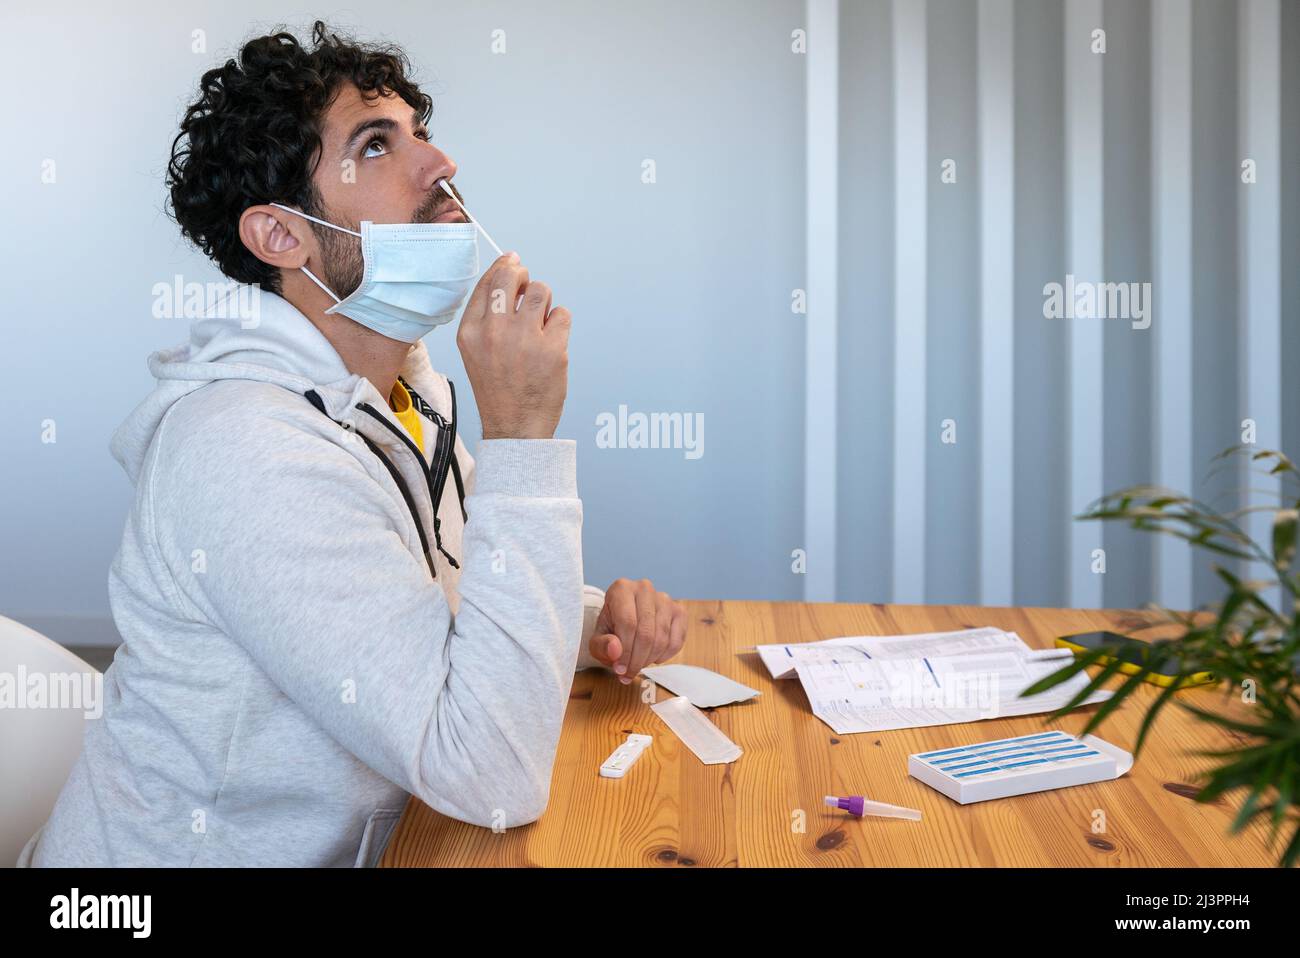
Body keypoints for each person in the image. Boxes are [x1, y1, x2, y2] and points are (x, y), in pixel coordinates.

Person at [21, 20, 686, 867]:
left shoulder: (402, 392)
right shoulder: (246, 451)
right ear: (281, 236)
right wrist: (520, 436)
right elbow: (490, 776)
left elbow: (435, 604)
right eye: (376, 144)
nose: (440, 163)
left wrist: (595, 625)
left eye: (419, 131)